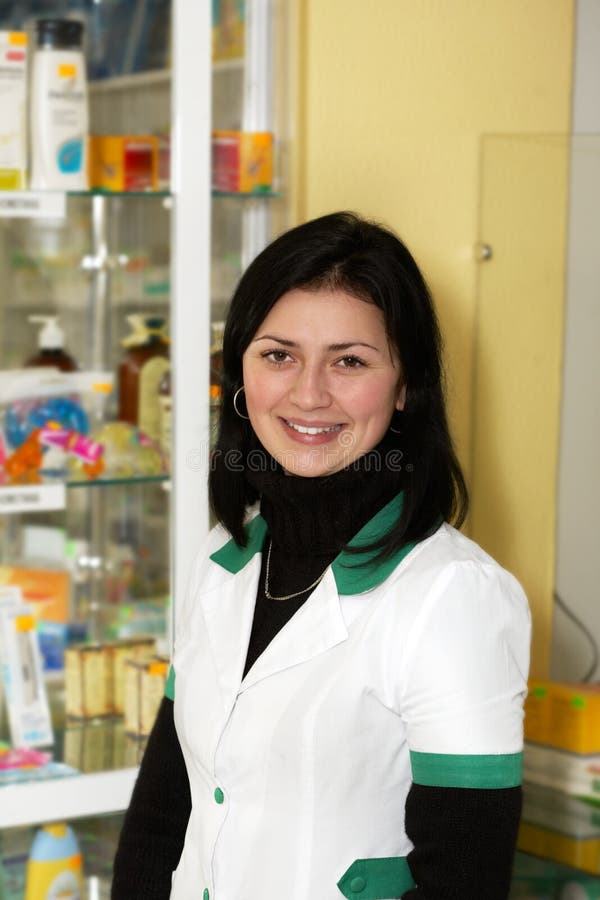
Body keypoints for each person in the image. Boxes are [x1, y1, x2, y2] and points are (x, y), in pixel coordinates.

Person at [112, 211, 530, 900]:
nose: (309, 393)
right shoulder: (225, 559)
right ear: (240, 373)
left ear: (404, 387)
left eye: (350, 361)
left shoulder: (454, 596)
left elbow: (464, 878)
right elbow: (163, 812)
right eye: (279, 354)